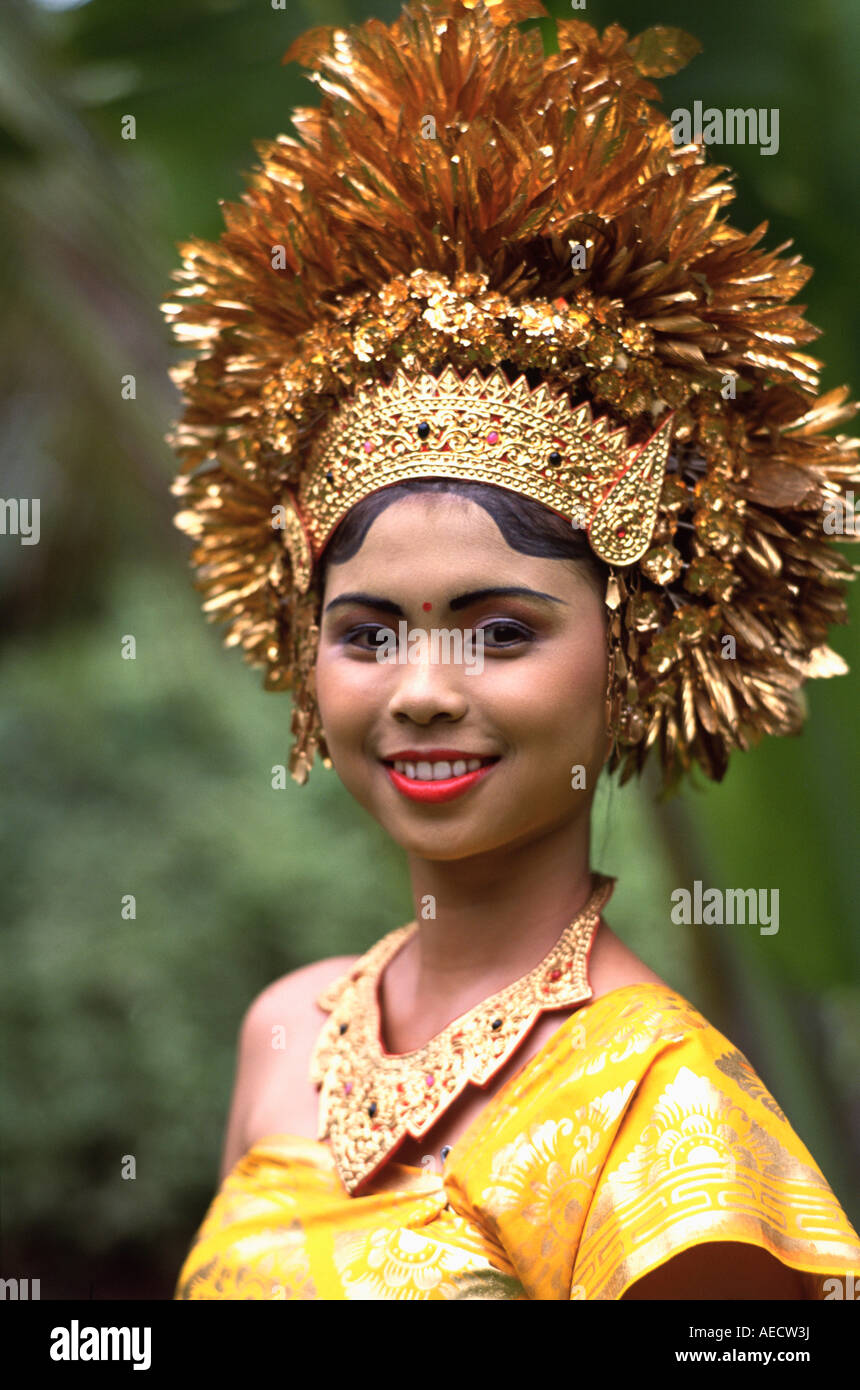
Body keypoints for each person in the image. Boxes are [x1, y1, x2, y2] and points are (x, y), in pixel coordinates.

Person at [161, 0, 860, 1299]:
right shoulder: (286, 1030)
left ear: (631, 654)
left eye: (501, 628)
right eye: (368, 630)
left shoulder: (667, 1121)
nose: (424, 691)